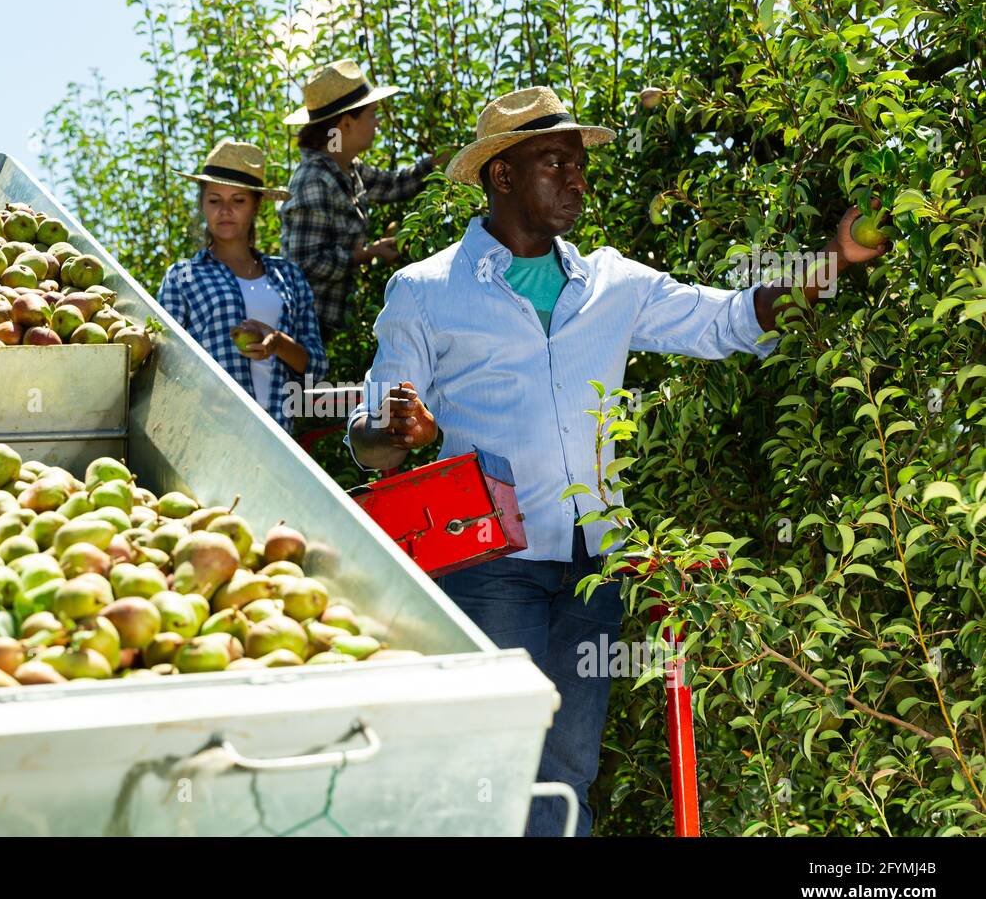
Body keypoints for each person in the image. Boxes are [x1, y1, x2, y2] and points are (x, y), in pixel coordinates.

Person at [345, 86, 888, 836]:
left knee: (569, 768)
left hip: (597, 561)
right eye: (555, 163)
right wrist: (397, 433)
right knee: (495, 761)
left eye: (579, 164)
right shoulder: (427, 291)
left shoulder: (613, 283)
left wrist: (835, 258)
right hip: (489, 564)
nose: (577, 179)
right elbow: (366, 434)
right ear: (501, 175)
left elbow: (730, 318)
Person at [158, 139, 327, 432]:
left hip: (277, 432)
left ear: (256, 205)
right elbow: (164, 361)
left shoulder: (288, 276)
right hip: (209, 430)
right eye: (214, 200)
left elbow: (317, 367)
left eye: (238, 200)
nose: (225, 210)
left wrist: (278, 342)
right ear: (202, 204)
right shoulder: (182, 277)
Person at [279, 58, 446, 339]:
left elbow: (394, 185)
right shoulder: (313, 180)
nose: (378, 123)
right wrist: (369, 253)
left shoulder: (348, 169)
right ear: (345, 123)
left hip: (327, 331)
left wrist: (437, 163)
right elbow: (305, 263)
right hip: (306, 332)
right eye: (371, 115)